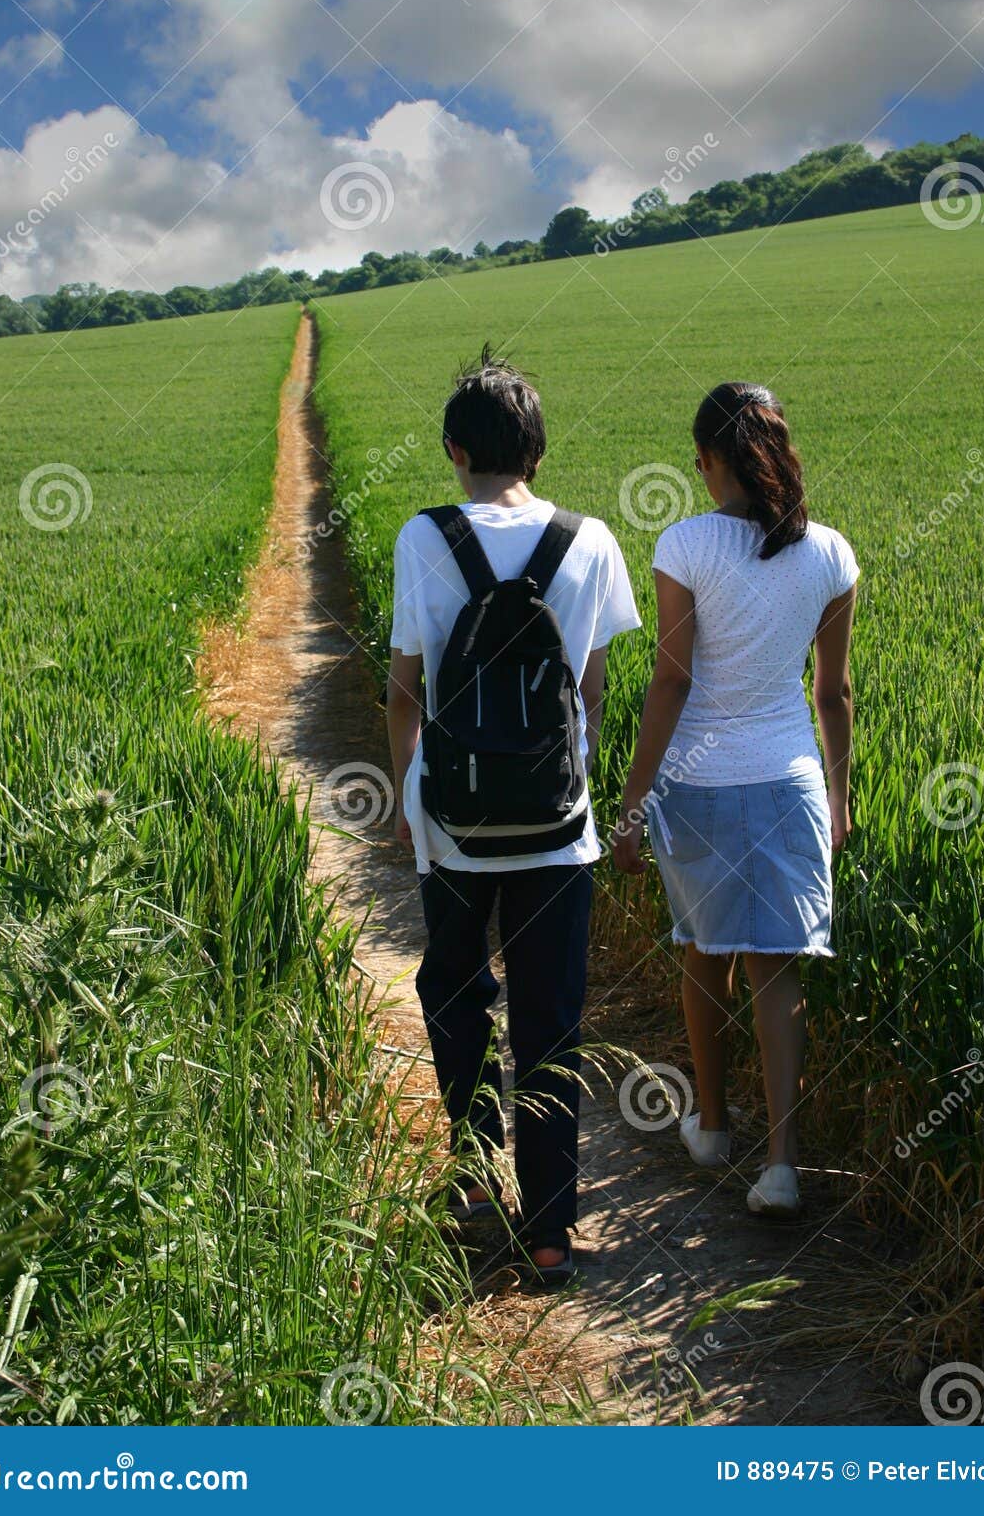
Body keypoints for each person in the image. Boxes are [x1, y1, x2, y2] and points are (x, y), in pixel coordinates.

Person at [387, 346, 640, 1283]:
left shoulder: (424, 537)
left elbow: (404, 686)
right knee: (550, 1018)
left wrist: (409, 797)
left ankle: (471, 1173)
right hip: (557, 826)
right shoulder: (592, 539)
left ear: (455, 449)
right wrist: (574, 783)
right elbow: (594, 694)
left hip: (452, 823)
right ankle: (547, 1231)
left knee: (453, 990)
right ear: (536, 450)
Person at [612, 382, 858, 1217]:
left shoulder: (684, 544)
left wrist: (635, 796)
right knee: (776, 970)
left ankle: (711, 1126)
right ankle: (782, 1165)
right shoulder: (829, 552)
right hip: (791, 782)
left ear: (710, 461)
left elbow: (673, 678)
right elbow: (833, 695)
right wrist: (841, 794)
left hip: (701, 784)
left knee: (704, 953)